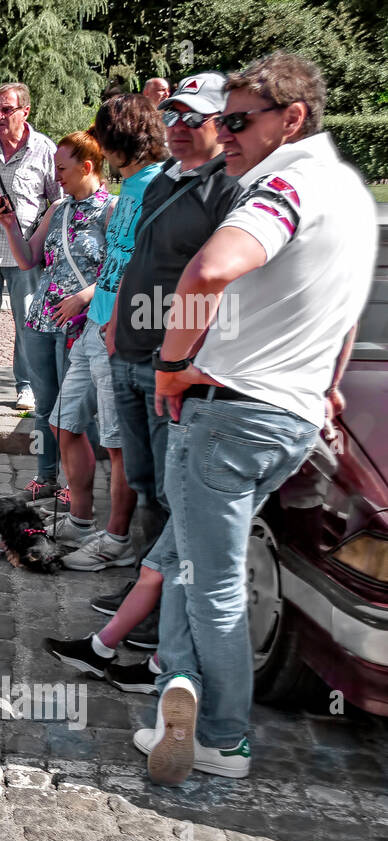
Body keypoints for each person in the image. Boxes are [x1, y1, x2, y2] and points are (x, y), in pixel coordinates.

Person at [138, 52, 377, 785]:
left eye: (239, 120)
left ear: (293, 117)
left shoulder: (287, 181)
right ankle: (176, 683)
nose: (226, 133)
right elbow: (344, 323)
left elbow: (209, 270)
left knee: (211, 580)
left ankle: (222, 735)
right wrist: (327, 389)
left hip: (230, 411)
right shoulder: (353, 194)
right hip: (293, 416)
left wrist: (173, 365)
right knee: (189, 559)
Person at [44, 72, 242, 692]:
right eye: (173, 117)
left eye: (195, 118)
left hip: (166, 363)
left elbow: (212, 282)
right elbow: (132, 264)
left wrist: (175, 359)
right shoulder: (166, 183)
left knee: (167, 490)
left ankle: (159, 626)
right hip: (124, 347)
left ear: (223, 125)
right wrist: (112, 324)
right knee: (151, 481)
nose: (179, 127)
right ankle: (146, 597)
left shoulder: (225, 189)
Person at [44, 94, 168, 572]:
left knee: (117, 443)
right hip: (96, 324)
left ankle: (117, 539)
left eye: (104, 135)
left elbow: (148, 265)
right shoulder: (135, 184)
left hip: (121, 331)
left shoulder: (155, 186)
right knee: (63, 422)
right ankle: (80, 519)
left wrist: (118, 323)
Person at [0, 132, 113, 504]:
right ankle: (45, 477)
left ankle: (74, 486)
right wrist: (10, 226)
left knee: (76, 411)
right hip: (41, 321)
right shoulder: (58, 210)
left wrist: (84, 297)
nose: (56, 175)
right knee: (45, 407)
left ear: (87, 167)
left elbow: (119, 270)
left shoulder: (113, 210)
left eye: (62, 168)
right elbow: (29, 259)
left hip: (79, 325)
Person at [0, 82, 61, 413]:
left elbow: (59, 202)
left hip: (25, 254)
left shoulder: (45, 150)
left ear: (25, 111)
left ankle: (27, 385)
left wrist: (46, 240)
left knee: (26, 321)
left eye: (7, 109)